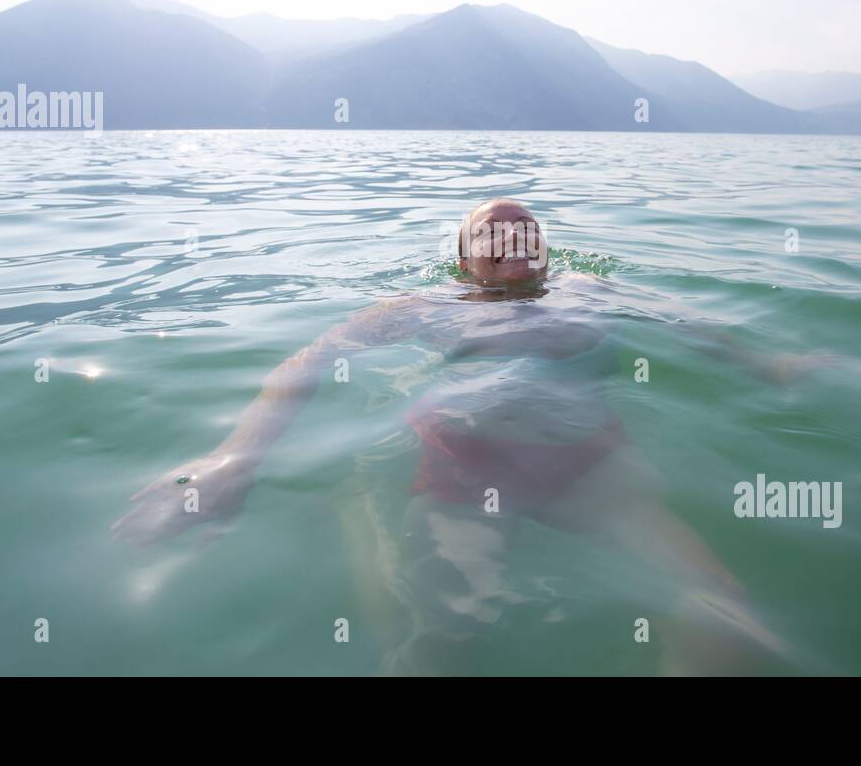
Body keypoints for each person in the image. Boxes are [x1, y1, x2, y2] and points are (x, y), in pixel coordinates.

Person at [114, 197, 823, 673]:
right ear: (463, 262)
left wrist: (771, 365)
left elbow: (690, 327)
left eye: (526, 230)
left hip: (590, 470)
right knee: (444, 644)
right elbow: (310, 359)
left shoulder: (592, 290)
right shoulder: (428, 307)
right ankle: (367, 526)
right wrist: (235, 457)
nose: (512, 239)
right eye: (492, 233)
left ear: (546, 250)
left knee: (722, 608)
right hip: (467, 473)